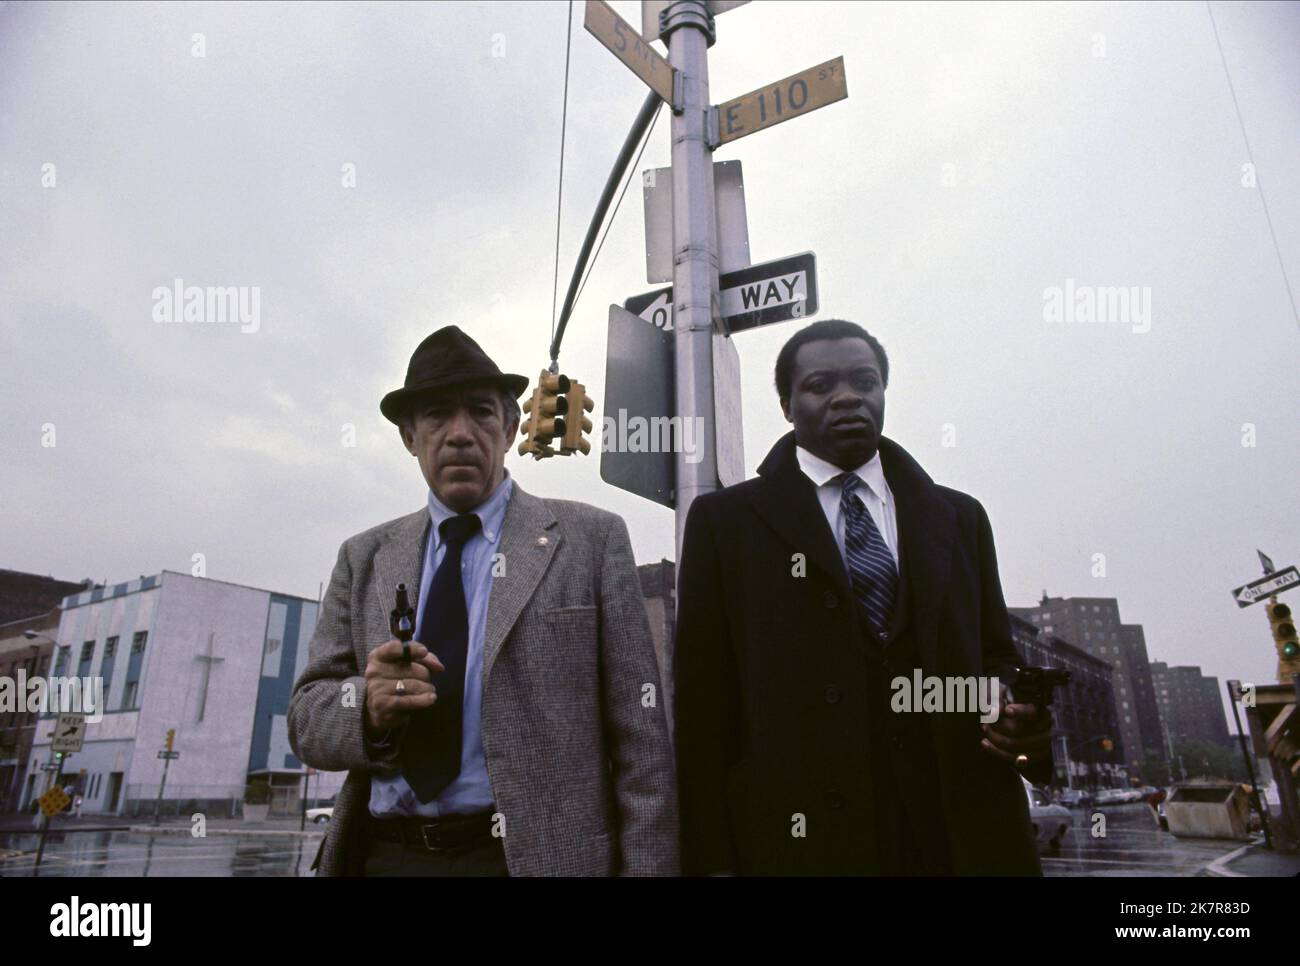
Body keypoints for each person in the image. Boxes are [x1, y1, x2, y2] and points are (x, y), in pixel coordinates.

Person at [289, 325, 677, 876]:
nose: (460, 434)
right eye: (436, 416)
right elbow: (306, 721)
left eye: (480, 412)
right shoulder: (364, 557)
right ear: (409, 436)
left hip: (532, 861)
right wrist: (367, 707)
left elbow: (643, 743)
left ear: (512, 424)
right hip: (385, 857)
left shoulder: (592, 540)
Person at [674, 319, 1054, 875]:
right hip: (800, 843)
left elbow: (995, 656)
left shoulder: (959, 517)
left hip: (960, 834)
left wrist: (1018, 716)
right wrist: (712, 859)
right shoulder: (724, 524)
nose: (847, 396)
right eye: (820, 384)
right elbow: (704, 704)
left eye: (864, 380)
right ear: (787, 405)